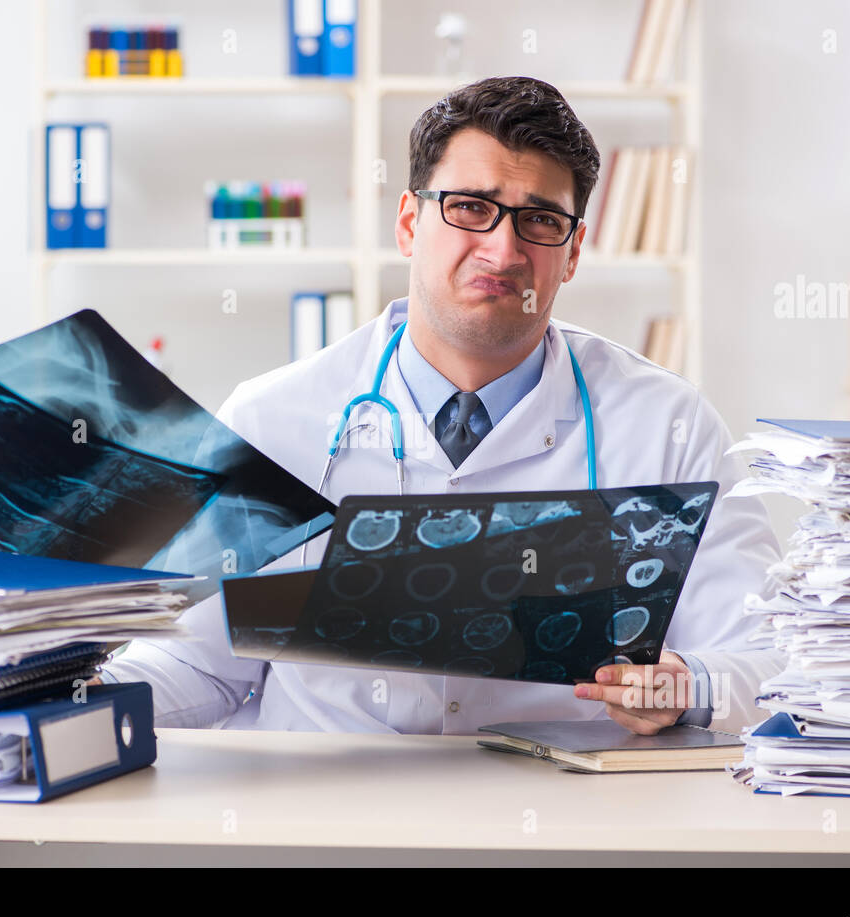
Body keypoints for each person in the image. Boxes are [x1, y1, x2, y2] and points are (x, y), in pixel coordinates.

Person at [96, 75, 785, 735]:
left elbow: (774, 661)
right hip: (323, 823)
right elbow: (196, 665)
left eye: (540, 220)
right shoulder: (269, 418)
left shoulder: (668, 425)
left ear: (572, 253)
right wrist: (55, 694)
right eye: (471, 207)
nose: (503, 247)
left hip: (563, 828)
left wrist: (682, 685)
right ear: (408, 222)